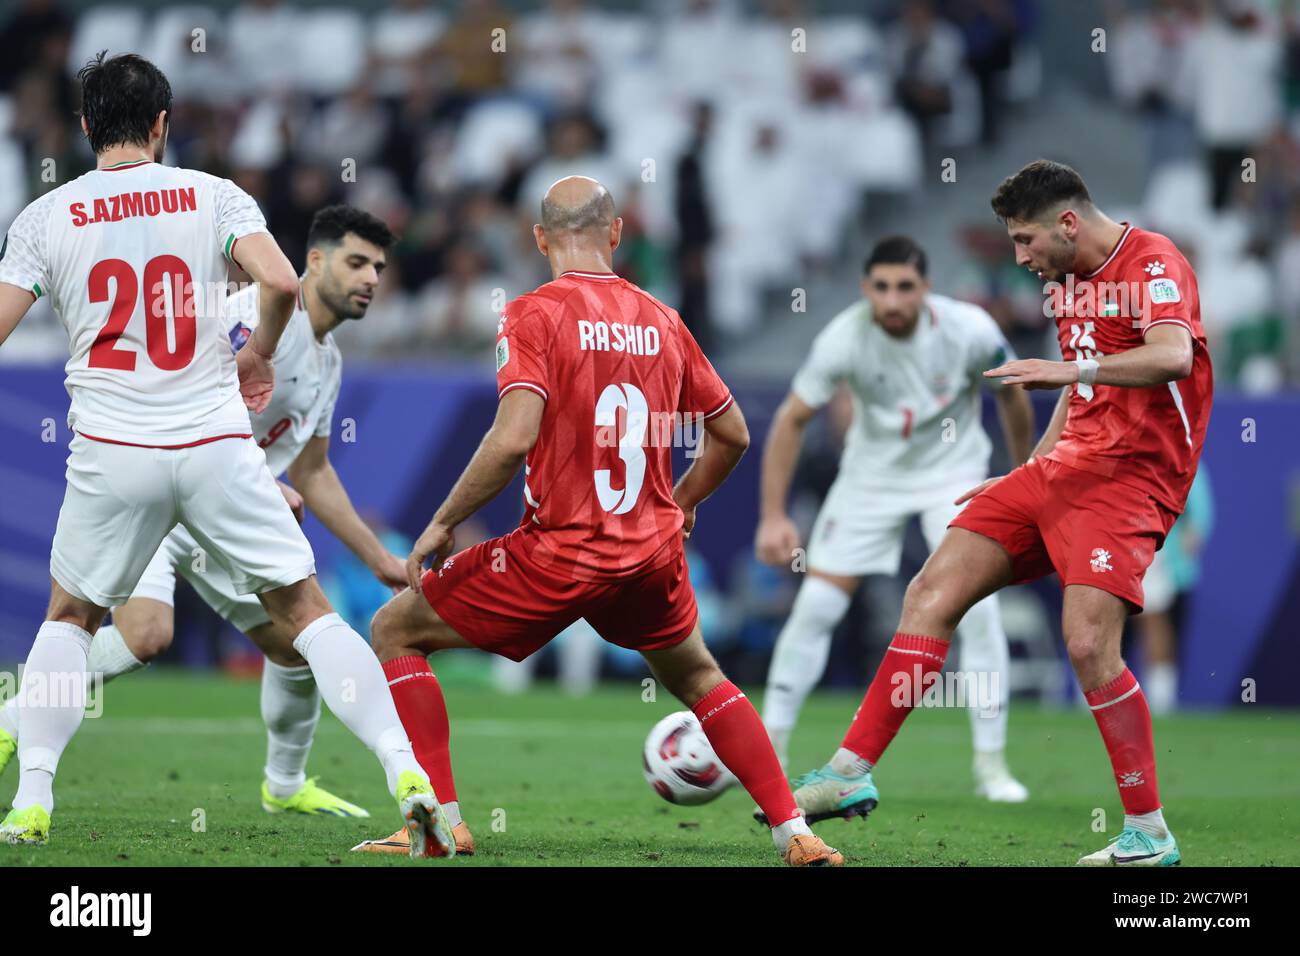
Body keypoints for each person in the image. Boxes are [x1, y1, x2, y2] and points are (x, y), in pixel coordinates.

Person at [0, 53, 446, 857]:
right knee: (307, 615)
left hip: (112, 449)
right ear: (164, 125)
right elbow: (278, 281)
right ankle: (406, 772)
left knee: (69, 620)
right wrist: (259, 356)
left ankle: (31, 801)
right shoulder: (215, 195)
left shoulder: (45, 216)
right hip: (213, 443)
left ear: (84, 128)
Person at [353, 175, 844, 866]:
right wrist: (682, 501)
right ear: (617, 234)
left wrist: (442, 521)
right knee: (702, 678)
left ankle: (440, 827)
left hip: (559, 551)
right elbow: (731, 433)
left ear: (538, 238)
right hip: (648, 552)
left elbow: (513, 435)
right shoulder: (664, 319)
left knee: (394, 627)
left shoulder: (532, 312)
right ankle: (795, 833)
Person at [789, 160, 1213, 867]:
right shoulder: (1068, 280)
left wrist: (1066, 373)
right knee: (931, 591)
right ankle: (849, 771)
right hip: (1062, 469)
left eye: (1025, 240)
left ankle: (1149, 832)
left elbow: (1171, 356)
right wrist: (1021, 476)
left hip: (1132, 481)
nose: (1021, 258)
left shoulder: (1154, 261)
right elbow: (1080, 399)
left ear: (1067, 223)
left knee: (1086, 644)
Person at [755, 236, 1034, 803]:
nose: (892, 300)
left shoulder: (971, 329)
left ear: (926, 288)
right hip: (869, 479)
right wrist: (772, 515)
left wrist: (1027, 474)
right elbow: (790, 419)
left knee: (978, 616)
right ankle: (770, 753)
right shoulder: (844, 336)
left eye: (904, 286)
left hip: (952, 477)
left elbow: (1014, 392)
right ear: (865, 289)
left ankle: (991, 767)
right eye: (880, 287)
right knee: (816, 607)